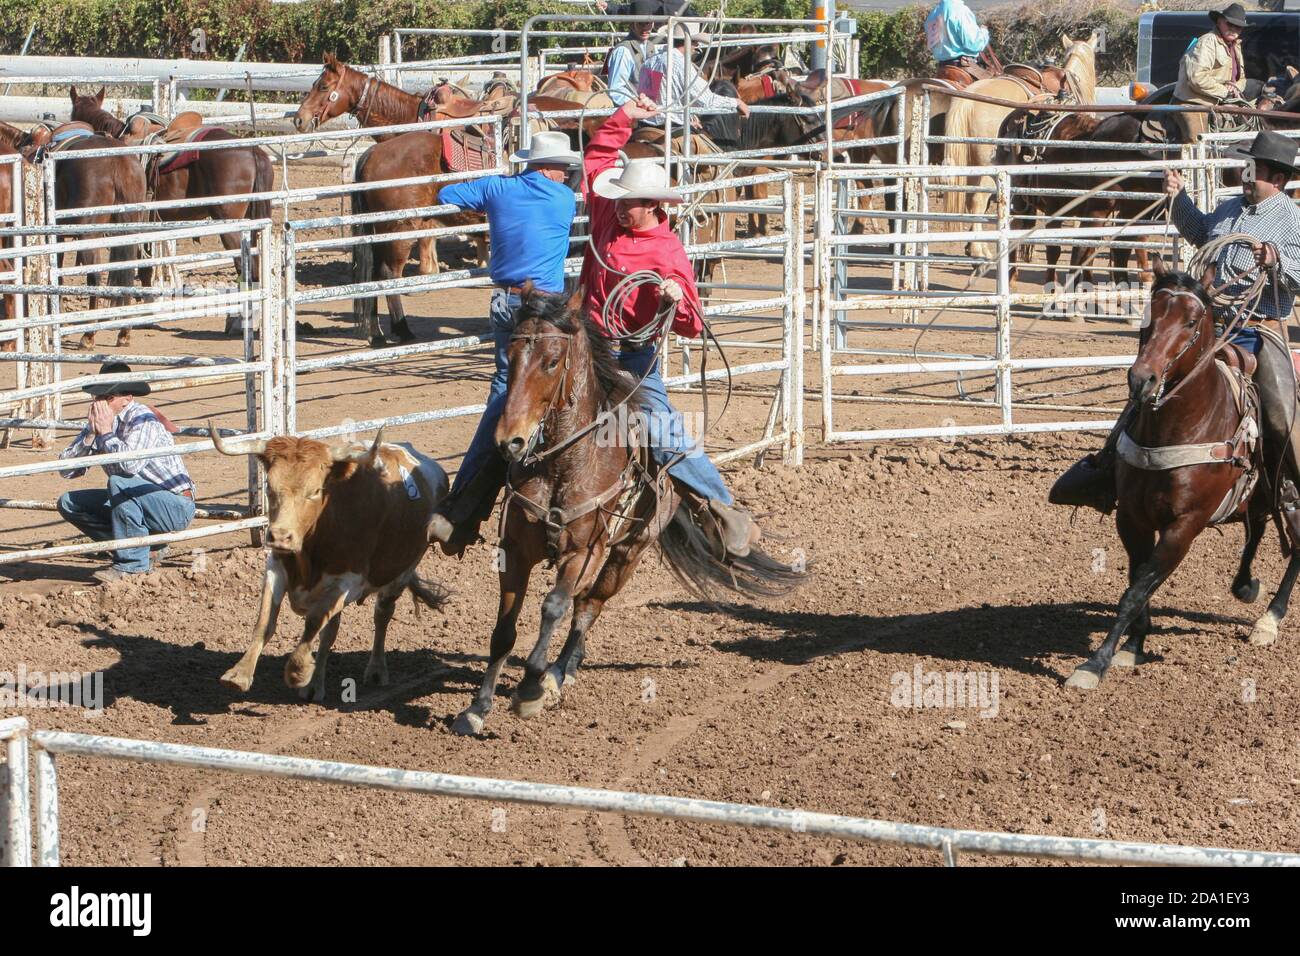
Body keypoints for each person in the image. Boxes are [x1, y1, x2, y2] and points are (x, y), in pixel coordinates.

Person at [1050, 130, 1300, 527]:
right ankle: (1107, 467)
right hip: (1210, 325)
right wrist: (1179, 197)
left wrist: (1275, 260)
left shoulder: (1291, 219)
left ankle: (1290, 490)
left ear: (1279, 178)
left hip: (1258, 328)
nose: (1246, 175)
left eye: (1255, 169)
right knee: (1152, 380)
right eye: (1247, 168)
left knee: (1281, 412)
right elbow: (1200, 232)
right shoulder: (1230, 208)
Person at [580, 93, 760, 559]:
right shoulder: (606, 215)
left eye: (631, 204)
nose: (621, 208)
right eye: (620, 201)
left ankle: (725, 508)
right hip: (587, 343)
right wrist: (623, 118)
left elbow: (692, 326)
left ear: (654, 205)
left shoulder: (667, 253)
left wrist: (673, 299)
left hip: (629, 357)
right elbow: (597, 160)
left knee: (662, 430)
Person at [428, 131, 582, 555]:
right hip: (546, 310)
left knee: (504, 387)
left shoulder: (498, 188)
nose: (567, 175)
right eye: (565, 169)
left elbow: (447, 194)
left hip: (504, 302)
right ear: (553, 169)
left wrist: (489, 203)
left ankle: (464, 504)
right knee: (565, 386)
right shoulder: (563, 200)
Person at [57, 362, 196, 583]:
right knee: (69, 502)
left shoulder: (142, 418)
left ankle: (132, 565)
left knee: (119, 482)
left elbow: (130, 467)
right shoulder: (102, 421)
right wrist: (91, 435)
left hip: (174, 505)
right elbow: (66, 470)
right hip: (139, 501)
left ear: (127, 398)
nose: (100, 403)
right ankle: (144, 549)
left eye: (107, 397)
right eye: (97, 397)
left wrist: (106, 432)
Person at [637, 19, 750, 133]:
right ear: (691, 42)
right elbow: (706, 101)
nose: (696, 46)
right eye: (696, 42)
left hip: (645, 124)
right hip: (669, 127)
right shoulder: (682, 64)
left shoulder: (650, 61)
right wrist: (736, 102)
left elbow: (654, 97)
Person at [1173, 3, 1249, 141]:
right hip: (1194, 103)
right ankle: (1194, 162)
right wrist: (1225, 92)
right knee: (1199, 141)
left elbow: (1242, 78)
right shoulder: (1207, 42)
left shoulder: (1235, 46)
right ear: (1219, 22)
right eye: (1229, 24)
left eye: (1237, 26)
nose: (1233, 29)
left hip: (1222, 102)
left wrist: (1235, 87)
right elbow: (1197, 78)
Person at [604, 0, 657, 106]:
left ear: (653, 23)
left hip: (648, 106)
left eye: (648, 23)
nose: (645, 28)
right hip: (632, 111)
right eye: (641, 24)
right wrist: (638, 103)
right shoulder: (623, 51)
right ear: (632, 24)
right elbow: (616, 90)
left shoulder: (651, 47)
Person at [925, 0, 994, 75]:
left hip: (942, 69)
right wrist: (984, 32)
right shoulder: (961, 10)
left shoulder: (932, 15)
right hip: (963, 67)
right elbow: (974, 44)